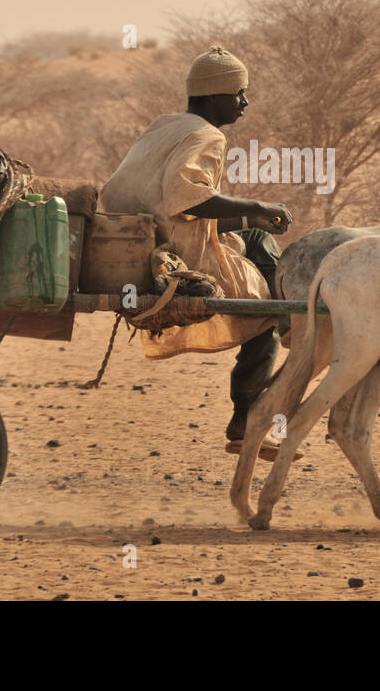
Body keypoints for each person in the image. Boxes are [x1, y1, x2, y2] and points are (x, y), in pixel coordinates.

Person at [99, 46, 294, 456]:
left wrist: (248, 219)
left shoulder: (165, 124)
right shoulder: (208, 135)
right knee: (265, 315)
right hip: (172, 253)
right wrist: (259, 207)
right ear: (215, 96)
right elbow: (186, 200)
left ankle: (288, 314)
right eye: (239, 93)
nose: (245, 102)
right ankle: (248, 414)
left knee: (258, 237)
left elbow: (175, 207)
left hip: (139, 234)